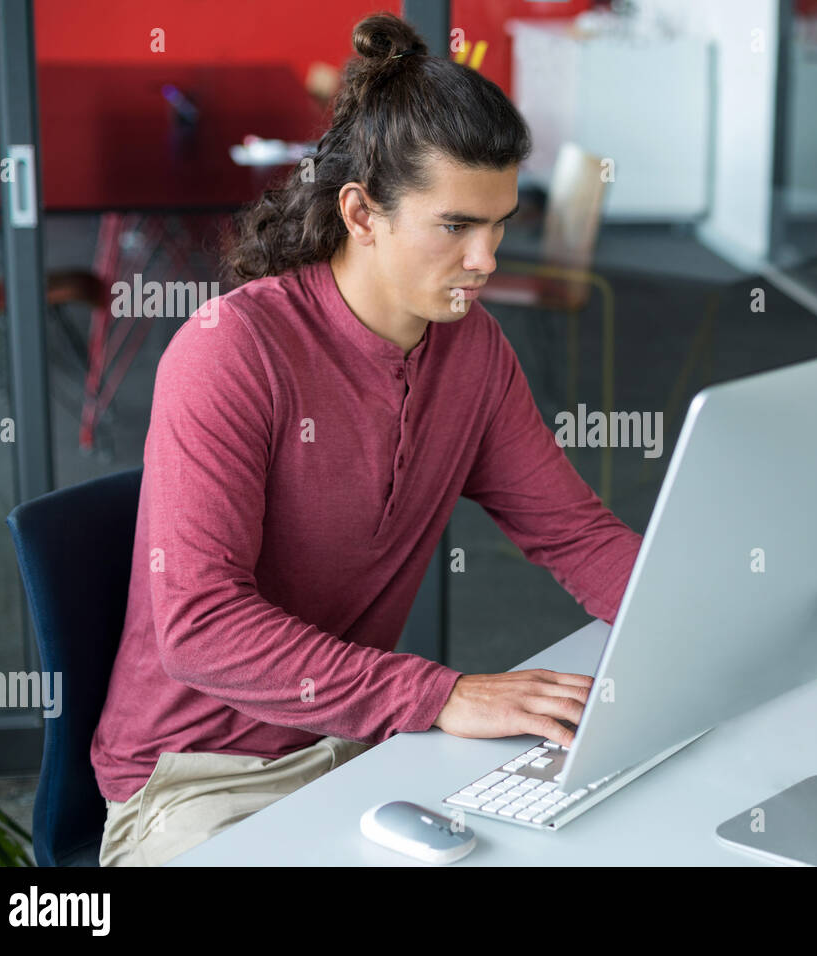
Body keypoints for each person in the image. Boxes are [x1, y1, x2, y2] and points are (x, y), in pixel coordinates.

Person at [90, 12, 642, 866]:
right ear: (362, 213)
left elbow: (573, 531)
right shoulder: (233, 350)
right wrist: (440, 692)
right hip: (197, 779)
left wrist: (724, 630)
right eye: (456, 226)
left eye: (499, 225)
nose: (487, 260)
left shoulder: (471, 349)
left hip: (357, 747)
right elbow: (199, 625)